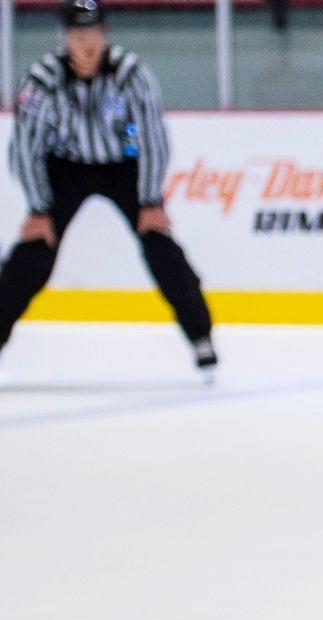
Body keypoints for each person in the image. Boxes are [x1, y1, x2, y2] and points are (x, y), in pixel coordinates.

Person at [0, 0, 216, 374]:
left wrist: (150, 199)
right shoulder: (41, 80)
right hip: (65, 168)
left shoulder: (132, 74)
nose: (87, 44)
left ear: (105, 33)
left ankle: (201, 336)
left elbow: (152, 139)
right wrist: (39, 208)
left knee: (159, 243)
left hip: (123, 166)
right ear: (66, 37)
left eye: (94, 33)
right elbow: (24, 147)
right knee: (34, 252)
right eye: (78, 34)